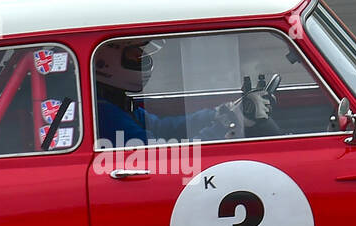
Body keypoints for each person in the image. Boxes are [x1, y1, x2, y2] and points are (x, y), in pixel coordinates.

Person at [94, 39, 271, 147]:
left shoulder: (114, 102)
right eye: (134, 56)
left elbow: (160, 127)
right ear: (105, 63)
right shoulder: (106, 115)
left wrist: (216, 113)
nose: (142, 60)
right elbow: (162, 154)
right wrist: (225, 124)